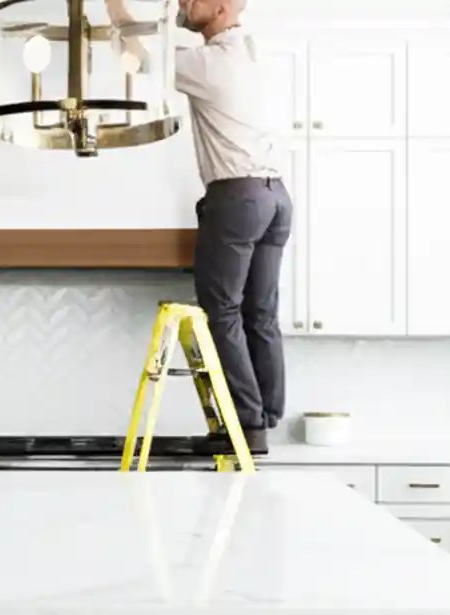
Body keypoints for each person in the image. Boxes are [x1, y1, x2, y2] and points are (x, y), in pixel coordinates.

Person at [174, 0, 290, 455]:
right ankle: (264, 418)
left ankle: (243, 423)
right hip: (276, 195)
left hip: (238, 196)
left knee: (220, 310)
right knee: (259, 312)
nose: (184, 2)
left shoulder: (210, 62)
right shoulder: (254, 52)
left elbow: (140, 56)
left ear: (220, 8)